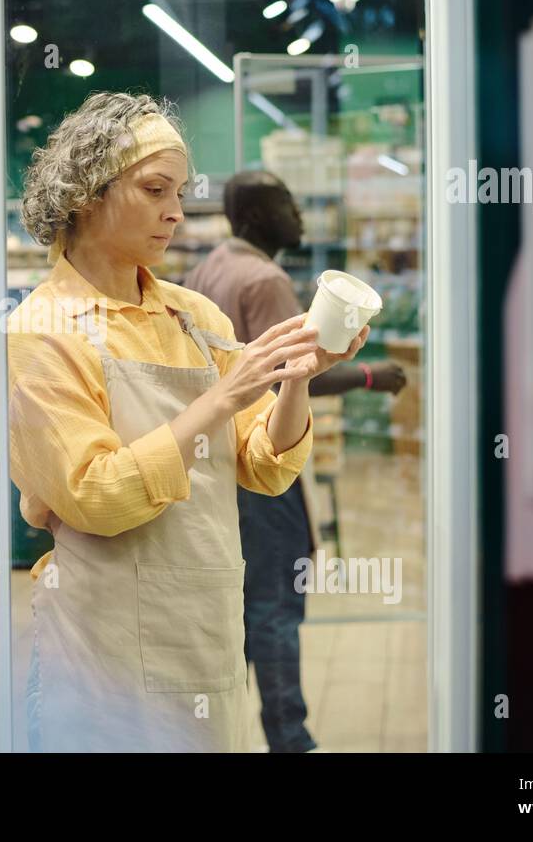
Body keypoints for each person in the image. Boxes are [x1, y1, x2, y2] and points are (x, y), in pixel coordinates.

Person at [0, 93, 367, 752]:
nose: (176, 211)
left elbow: (263, 465)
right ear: (85, 195)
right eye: (155, 188)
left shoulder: (197, 318)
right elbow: (97, 495)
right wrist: (222, 397)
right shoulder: (40, 333)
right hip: (100, 661)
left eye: (180, 191)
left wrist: (298, 375)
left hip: (205, 638)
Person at [185, 170, 405, 752]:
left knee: (243, 604)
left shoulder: (207, 270)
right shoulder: (265, 278)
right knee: (277, 604)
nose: (300, 214)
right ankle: (291, 739)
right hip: (263, 458)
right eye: (286, 202)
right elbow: (294, 375)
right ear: (256, 215)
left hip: (214, 461)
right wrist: (367, 373)